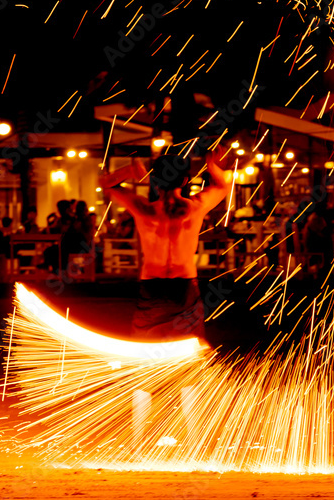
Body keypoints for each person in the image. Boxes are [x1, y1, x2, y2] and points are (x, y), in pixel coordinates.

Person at [99, 150, 231, 447]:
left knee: (145, 365)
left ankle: (138, 441)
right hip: (184, 289)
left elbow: (105, 184)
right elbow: (222, 187)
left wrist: (129, 171)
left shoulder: (143, 208)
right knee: (189, 367)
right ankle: (195, 442)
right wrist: (212, 166)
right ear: (186, 180)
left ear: (154, 181)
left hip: (152, 291)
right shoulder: (195, 206)